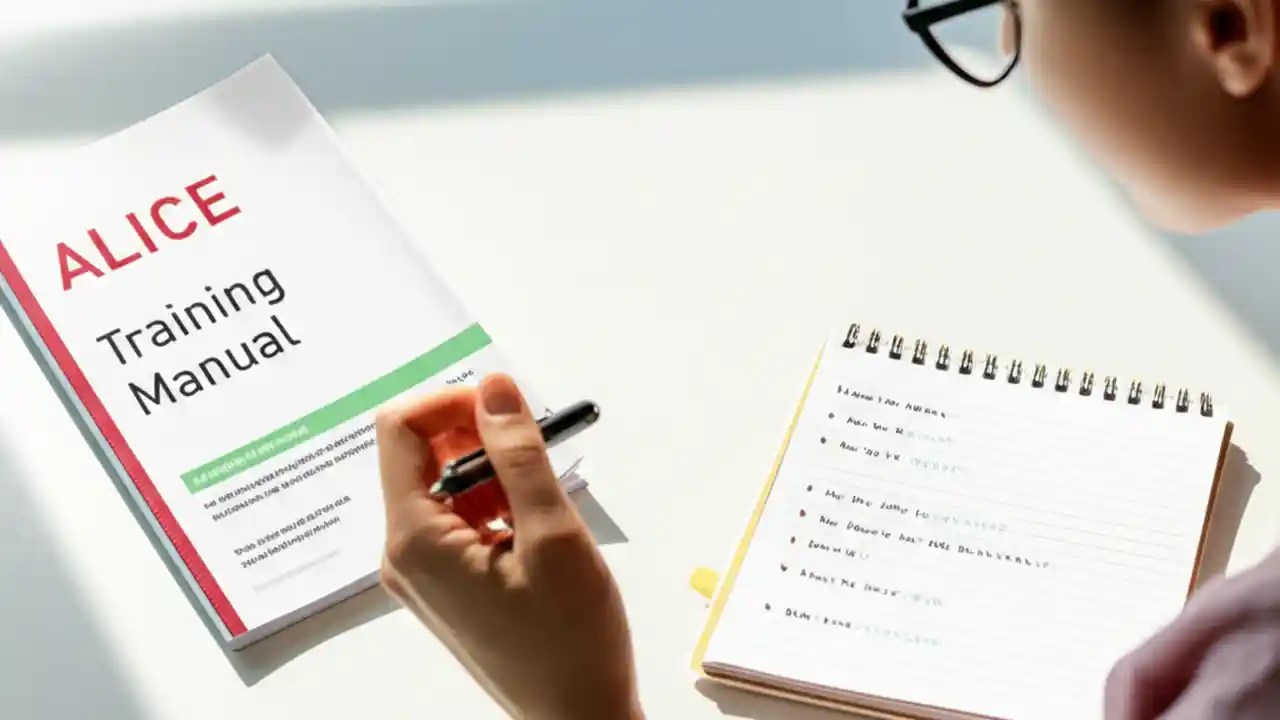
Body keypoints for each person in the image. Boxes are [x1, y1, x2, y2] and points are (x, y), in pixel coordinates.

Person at [376, 2, 1280, 718]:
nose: (1008, 41)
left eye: (1014, 4)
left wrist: (575, 698)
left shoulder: (1237, 678)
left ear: (1228, 25)